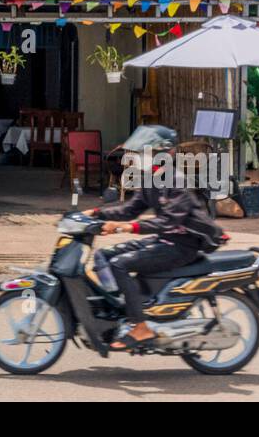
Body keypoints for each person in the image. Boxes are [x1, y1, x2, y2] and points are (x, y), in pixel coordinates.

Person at [86, 126, 223, 351]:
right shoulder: (153, 179)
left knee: (120, 264)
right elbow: (130, 209)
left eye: (147, 152)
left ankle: (140, 327)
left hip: (182, 246)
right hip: (164, 241)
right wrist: (94, 213)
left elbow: (167, 222)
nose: (142, 157)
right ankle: (123, 306)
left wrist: (125, 228)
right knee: (103, 255)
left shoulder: (177, 180)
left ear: (165, 154)